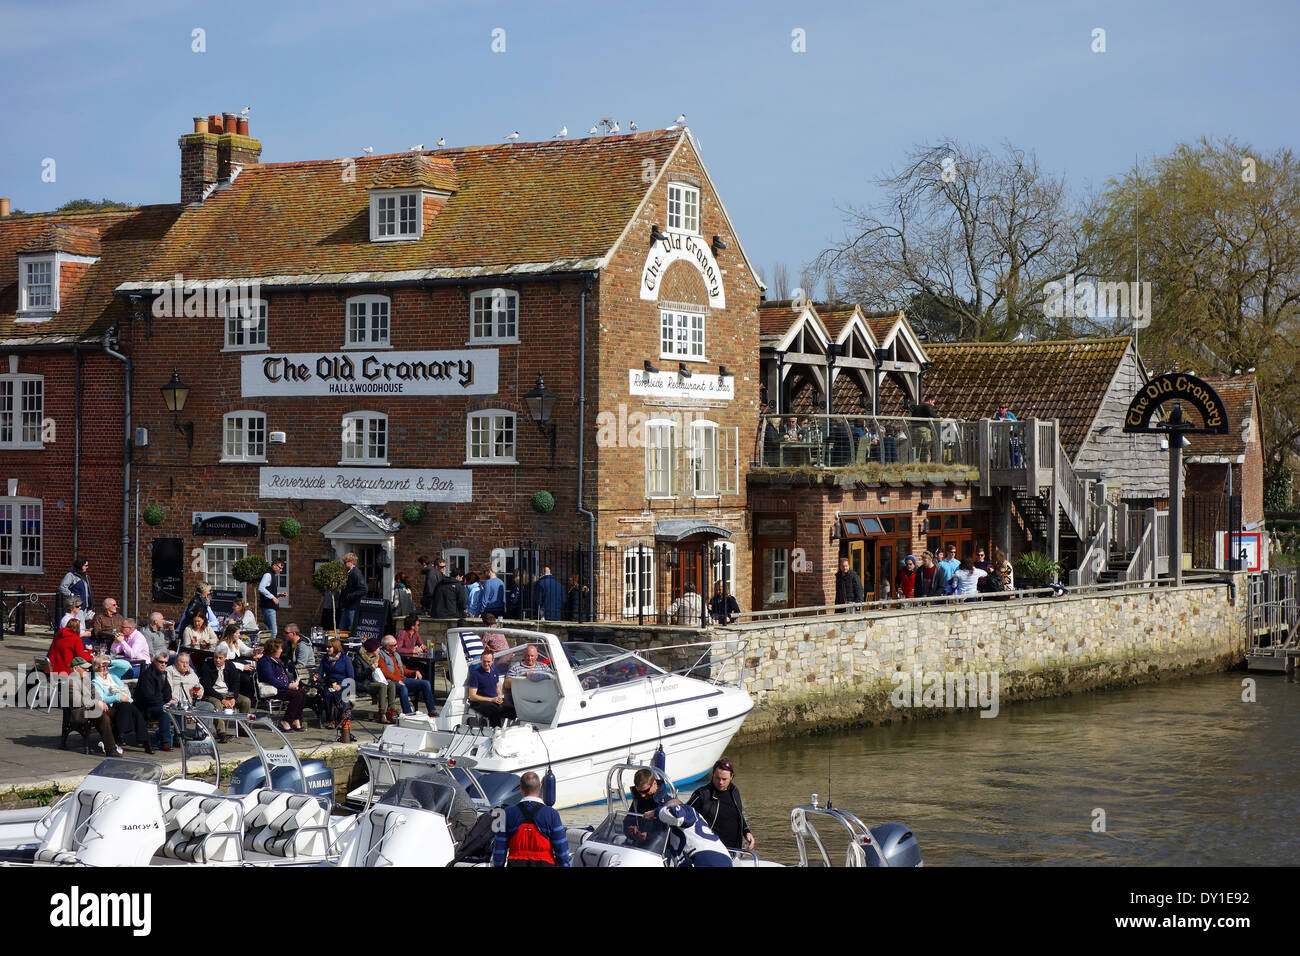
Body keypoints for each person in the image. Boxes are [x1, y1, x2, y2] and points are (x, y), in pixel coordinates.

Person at [491, 771, 571, 867]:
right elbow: (561, 849)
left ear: (521, 788)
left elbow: (499, 848)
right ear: (540, 786)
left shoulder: (505, 813)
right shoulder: (552, 814)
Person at [688, 757, 754, 852]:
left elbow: (738, 815)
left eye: (724, 779)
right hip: (711, 849)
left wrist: (746, 832)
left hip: (735, 850)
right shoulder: (702, 794)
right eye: (717, 778)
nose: (720, 782)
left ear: (731, 777)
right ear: (713, 775)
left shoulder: (734, 791)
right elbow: (685, 814)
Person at [91, 654, 151, 753]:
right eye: (102, 666)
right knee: (130, 708)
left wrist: (110, 662)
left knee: (133, 710)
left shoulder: (113, 674)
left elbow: (126, 665)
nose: (105, 668)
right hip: (112, 706)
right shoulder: (96, 682)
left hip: (124, 703)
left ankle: (122, 735)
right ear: (96, 668)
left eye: (106, 666)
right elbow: (103, 698)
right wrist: (118, 697)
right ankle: (144, 741)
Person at [649, 802, 733, 867]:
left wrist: (656, 811)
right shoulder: (685, 825)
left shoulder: (687, 811)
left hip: (705, 856)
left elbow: (677, 815)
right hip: (721, 858)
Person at [377, 634, 437, 717]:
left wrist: (414, 672)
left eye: (396, 644)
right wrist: (397, 680)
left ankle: (432, 711)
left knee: (426, 683)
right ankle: (408, 713)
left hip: (403, 679)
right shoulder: (381, 655)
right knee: (403, 688)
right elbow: (385, 672)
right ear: (387, 646)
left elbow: (403, 669)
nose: (397, 646)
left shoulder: (396, 654)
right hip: (391, 681)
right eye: (394, 645)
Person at [71, 656, 120, 756]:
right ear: (75, 669)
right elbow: (78, 701)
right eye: (84, 668)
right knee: (102, 715)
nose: (87, 670)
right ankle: (110, 748)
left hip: (92, 708)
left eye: (87, 668)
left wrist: (100, 702)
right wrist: (97, 703)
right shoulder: (71, 682)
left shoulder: (86, 679)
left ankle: (117, 740)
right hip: (80, 712)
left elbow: (95, 694)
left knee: (119, 711)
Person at [200, 647, 251, 741]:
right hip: (213, 694)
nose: (217, 660)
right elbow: (207, 687)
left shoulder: (230, 665)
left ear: (225, 658)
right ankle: (221, 732)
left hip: (227, 693)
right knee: (217, 704)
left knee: (246, 701)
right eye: (216, 657)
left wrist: (232, 698)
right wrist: (222, 699)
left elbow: (235, 683)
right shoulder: (207, 666)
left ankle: (242, 728)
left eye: (220, 658)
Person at [258, 638, 306, 733]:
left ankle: (296, 720)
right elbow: (270, 679)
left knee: (302, 692)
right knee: (297, 695)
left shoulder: (277, 660)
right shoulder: (265, 662)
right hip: (274, 690)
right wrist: (287, 686)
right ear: (273, 650)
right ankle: (285, 722)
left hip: (282, 687)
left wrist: (291, 683)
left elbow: (283, 676)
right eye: (280, 648)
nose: (281, 650)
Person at [134, 650, 176, 753]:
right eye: (161, 662)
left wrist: (168, 700)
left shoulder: (163, 674)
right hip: (145, 708)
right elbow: (148, 697)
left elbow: (168, 692)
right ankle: (164, 742)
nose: (163, 665)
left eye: (166, 663)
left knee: (177, 709)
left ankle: (178, 738)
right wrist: (164, 703)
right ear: (154, 661)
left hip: (158, 704)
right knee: (165, 711)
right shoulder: (147, 675)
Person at [316, 638, 356, 730]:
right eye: (326, 647)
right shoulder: (325, 659)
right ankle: (331, 719)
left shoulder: (345, 659)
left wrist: (341, 685)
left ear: (335, 647)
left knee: (337, 695)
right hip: (330, 683)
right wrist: (317, 677)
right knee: (327, 694)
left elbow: (350, 677)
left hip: (343, 683)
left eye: (329, 647)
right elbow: (320, 673)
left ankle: (338, 719)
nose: (327, 649)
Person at [467, 649, 514, 727]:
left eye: (488, 661)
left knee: (512, 709)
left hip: (494, 700)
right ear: (481, 660)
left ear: (493, 661)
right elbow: (472, 696)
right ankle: (495, 732)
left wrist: (501, 697)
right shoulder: (475, 674)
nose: (486, 664)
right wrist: (491, 699)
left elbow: (497, 687)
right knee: (494, 712)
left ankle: (511, 731)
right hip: (479, 702)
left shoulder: (494, 671)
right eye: (484, 661)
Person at [58, 557, 93, 625]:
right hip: (76, 606)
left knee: (82, 626)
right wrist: (72, 595)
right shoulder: (71, 575)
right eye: (85, 565)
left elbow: (89, 592)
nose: (87, 567)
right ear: (80, 566)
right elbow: (62, 587)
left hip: (85, 606)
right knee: (80, 626)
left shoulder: (86, 577)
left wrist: (91, 606)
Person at [338, 552, 366, 633]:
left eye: (345, 562)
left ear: (351, 562)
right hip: (347, 606)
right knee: (342, 628)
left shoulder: (356, 573)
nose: (344, 564)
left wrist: (350, 595)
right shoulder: (349, 572)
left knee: (352, 628)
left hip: (353, 606)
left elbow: (363, 589)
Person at [257, 558, 285, 637]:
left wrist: (278, 594)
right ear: (274, 566)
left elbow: (269, 590)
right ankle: (271, 649)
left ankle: (266, 647)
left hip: (268, 606)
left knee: (267, 631)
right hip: (269, 607)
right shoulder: (268, 575)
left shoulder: (271, 575)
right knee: (273, 631)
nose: (281, 570)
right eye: (280, 568)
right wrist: (273, 597)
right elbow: (261, 588)